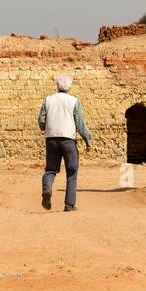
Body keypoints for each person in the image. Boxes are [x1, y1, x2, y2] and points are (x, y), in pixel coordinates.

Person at [38, 73, 92, 212]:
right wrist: (88, 140)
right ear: (69, 87)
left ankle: (47, 189)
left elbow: (41, 121)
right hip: (68, 140)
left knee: (50, 169)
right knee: (72, 172)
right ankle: (69, 205)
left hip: (51, 140)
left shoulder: (48, 100)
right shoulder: (74, 101)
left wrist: (45, 128)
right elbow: (80, 123)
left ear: (57, 86)